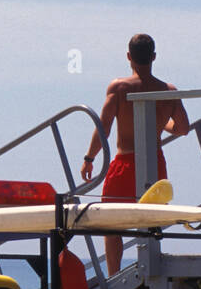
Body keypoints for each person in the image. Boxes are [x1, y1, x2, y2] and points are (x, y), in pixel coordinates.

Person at [80, 33, 191, 275]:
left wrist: (89, 158)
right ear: (153, 57)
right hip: (155, 162)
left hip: (125, 164)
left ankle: (113, 275)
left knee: (111, 222)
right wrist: (160, 124)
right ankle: (153, 268)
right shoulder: (168, 90)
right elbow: (183, 128)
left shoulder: (119, 87)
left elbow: (104, 127)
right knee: (152, 220)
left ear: (129, 56)